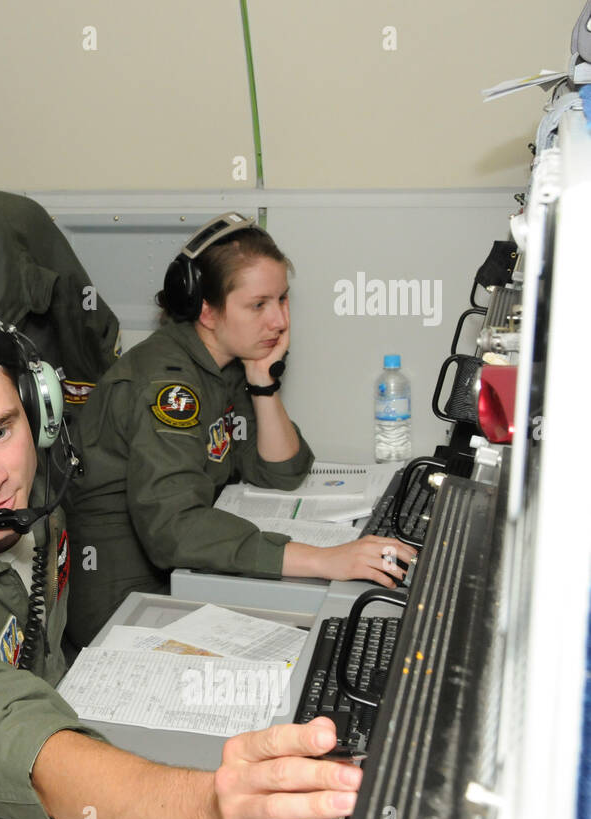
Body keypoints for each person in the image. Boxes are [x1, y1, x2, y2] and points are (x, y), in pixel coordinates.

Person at [0, 287, 361, 819]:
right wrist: (204, 811)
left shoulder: (38, 501)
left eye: (2, 431)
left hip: (43, 779)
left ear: (39, 410)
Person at [66, 213, 417, 646]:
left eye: (282, 300)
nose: (279, 322)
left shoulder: (226, 364)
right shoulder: (167, 388)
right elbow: (175, 529)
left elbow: (282, 469)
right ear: (207, 311)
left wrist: (263, 383)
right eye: (258, 305)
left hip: (182, 576)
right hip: (126, 609)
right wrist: (327, 560)